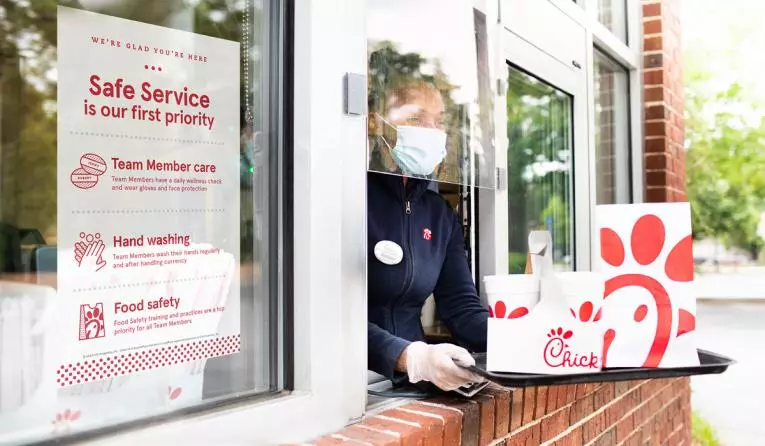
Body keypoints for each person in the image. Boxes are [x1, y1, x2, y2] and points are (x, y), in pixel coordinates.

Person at [367, 80, 489, 391]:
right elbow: (327, 311)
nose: (431, 131)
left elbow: (462, 309)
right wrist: (410, 357)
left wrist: (523, 338)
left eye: (439, 121)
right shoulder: (349, 196)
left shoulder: (439, 214)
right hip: (347, 383)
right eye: (416, 119)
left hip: (410, 383)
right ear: (374, 122)